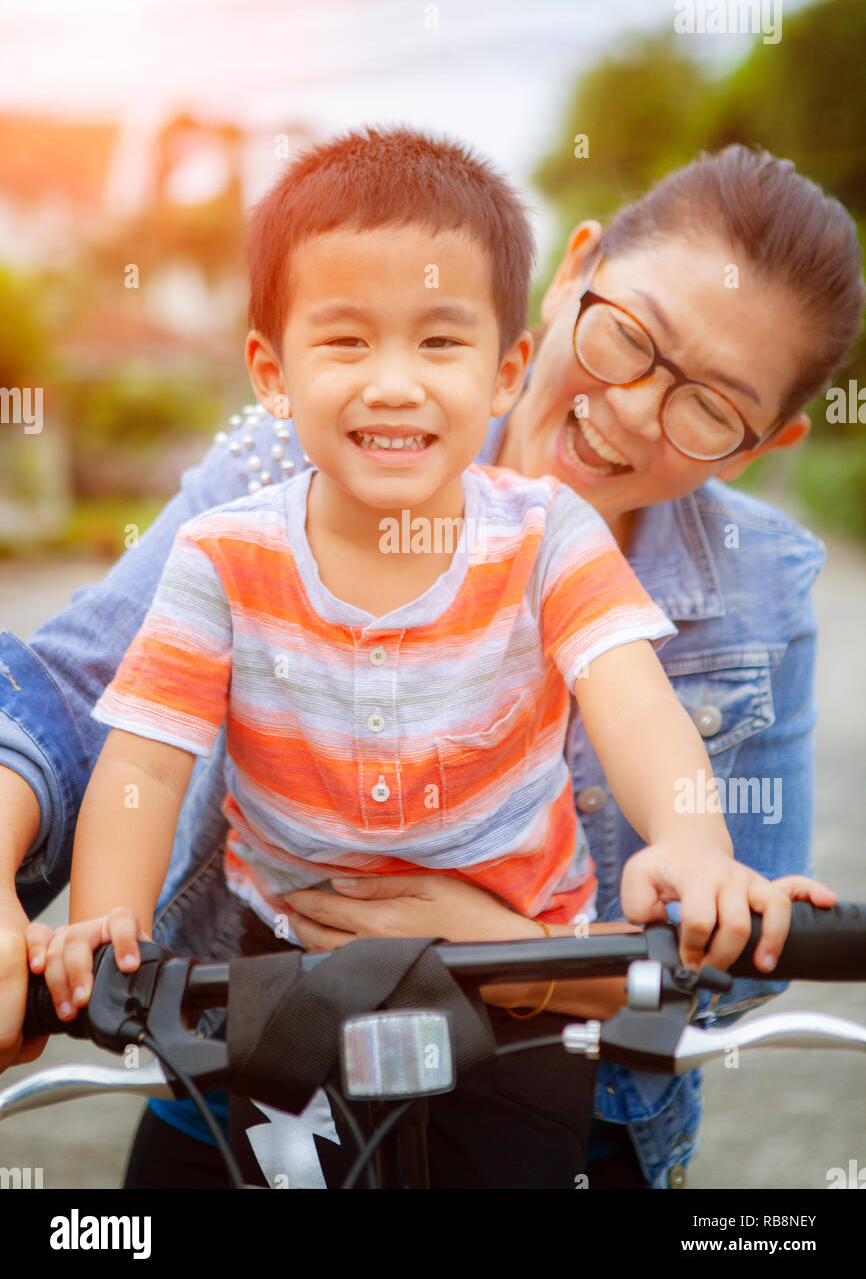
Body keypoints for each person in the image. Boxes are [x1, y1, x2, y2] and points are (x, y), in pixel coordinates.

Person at [0, 136, 859, 1187]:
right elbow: (125, 735)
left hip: (529, 1033)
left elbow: (633, 707)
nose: (633, 408)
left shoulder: (552, 534)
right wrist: (102, 932)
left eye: (711, 407)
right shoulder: (236, 532)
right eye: (629, 337)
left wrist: (687, 846)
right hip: (266, 993)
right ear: (572, 277)